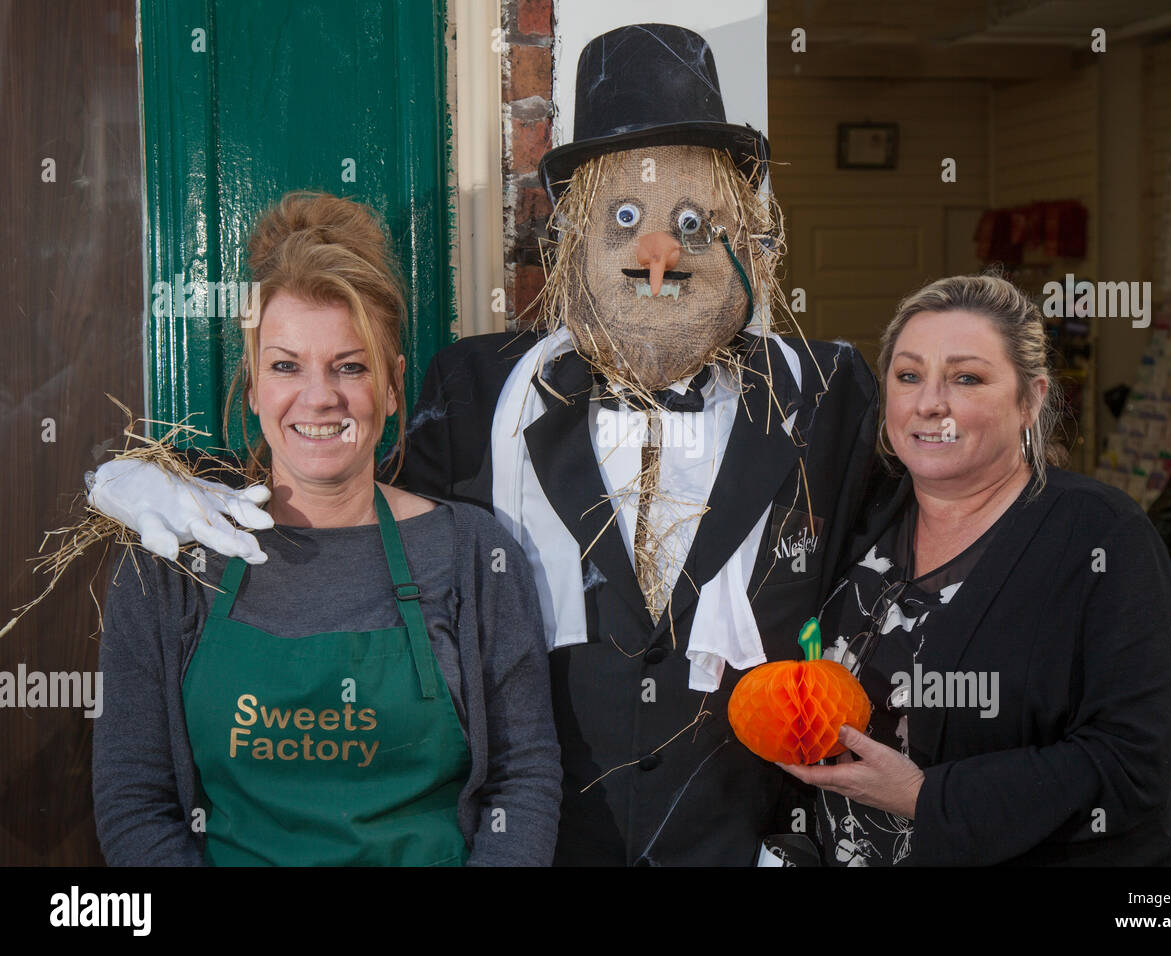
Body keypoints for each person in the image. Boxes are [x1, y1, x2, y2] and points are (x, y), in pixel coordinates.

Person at [87, 24, 877, 866]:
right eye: (624, 215)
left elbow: (912, 557)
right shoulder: (482, 391)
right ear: (574, 231)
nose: (658, 252)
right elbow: (326, 484)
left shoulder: (822, 396)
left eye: (690, 219)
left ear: (739, 225)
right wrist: (143, 475)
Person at [91, 192, 561, 866]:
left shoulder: (472, 555)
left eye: (351, 366)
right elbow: (134, 802)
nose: (320, 397)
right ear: (251, 385)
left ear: (394, 387)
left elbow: (525, 782)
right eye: (286, 366)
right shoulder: (172, 561)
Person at [782, 273, 1171, 866]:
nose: (930, 403)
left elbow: (1130, 764)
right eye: (908, 376)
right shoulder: (864, 513)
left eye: (966, 378)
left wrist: (925, 798)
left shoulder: (1101, 535)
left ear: (1030, 398)